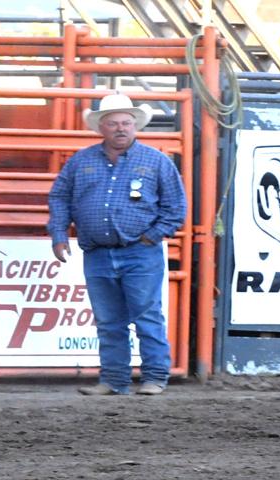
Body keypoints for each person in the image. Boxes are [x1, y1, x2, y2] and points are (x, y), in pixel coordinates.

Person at [48, 94, 186, 397]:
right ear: (101, 128)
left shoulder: (156, 161)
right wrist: (58, 233)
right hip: (98, 251)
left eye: (126, 123)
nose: (120, 128)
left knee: (145, 316)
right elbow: (59, 196)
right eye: (113, 123)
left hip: (139, 250)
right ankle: (114, 380)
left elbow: (175, 206)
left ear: (135, 125)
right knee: (110, 321)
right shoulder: (80, 161)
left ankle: (153, 377)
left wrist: (153, 235)